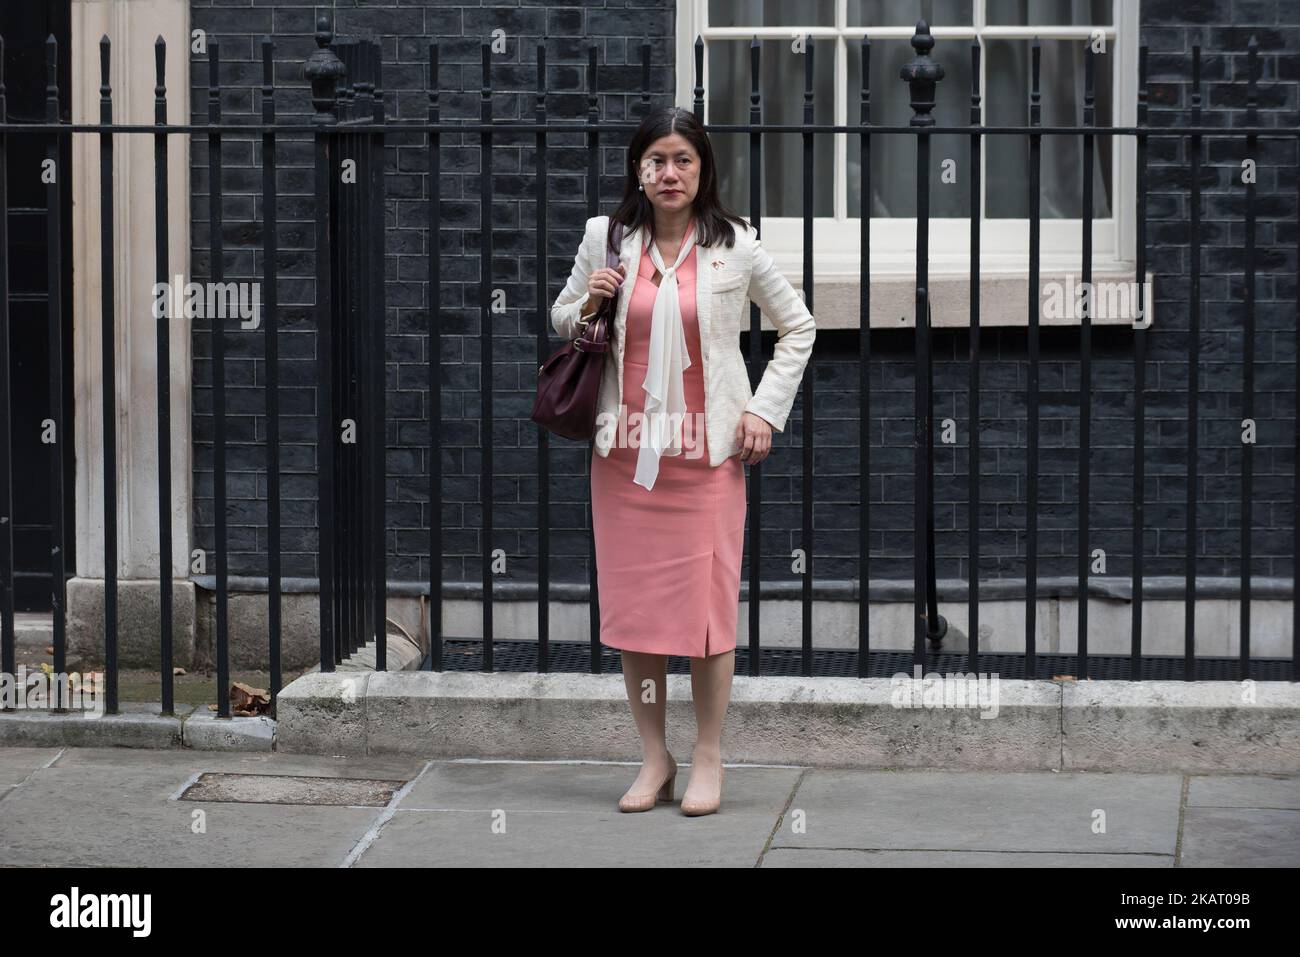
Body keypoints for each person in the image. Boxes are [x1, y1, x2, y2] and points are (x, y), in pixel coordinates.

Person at [549, 106, 816, 816]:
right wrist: (587, 303)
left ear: (702, 171)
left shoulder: (737, 247)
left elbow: (798, 326)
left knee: (706, 614)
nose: (669, 173)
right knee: (635, 616)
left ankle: (706, 753)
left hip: (707, 456)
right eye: (656, 160)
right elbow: (562, 317)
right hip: (627, 455)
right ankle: (653, 755)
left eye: (683, 160)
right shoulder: (606, 240)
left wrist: (762, 409)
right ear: (639, 170)